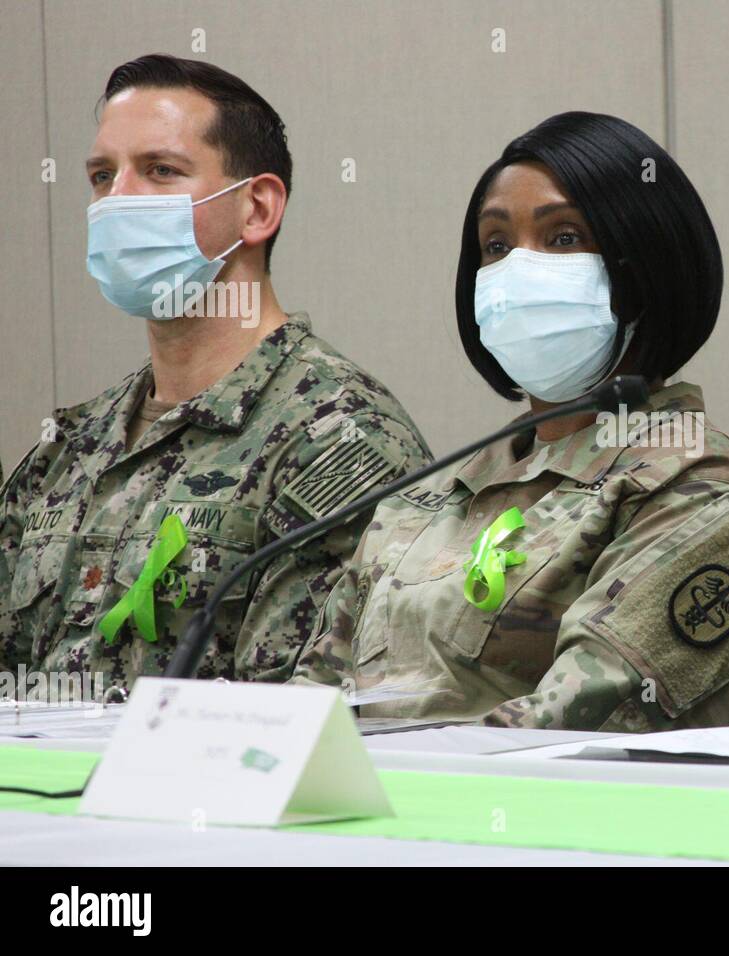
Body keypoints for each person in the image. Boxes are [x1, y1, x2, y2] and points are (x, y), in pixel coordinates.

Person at [294, 112, 729, 729]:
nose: (517, 270)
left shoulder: (697, 490)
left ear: (641, 273)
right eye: (496, 246)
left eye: (564, 237)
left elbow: (573, 732)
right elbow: (307, 706)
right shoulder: (431, 497)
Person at [0, 55, 431, 693]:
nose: (117, 200)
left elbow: (293, 732)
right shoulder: (70, 446)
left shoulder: (338, 440)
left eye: (160, 172)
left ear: (256, 208)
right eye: (101, 176)